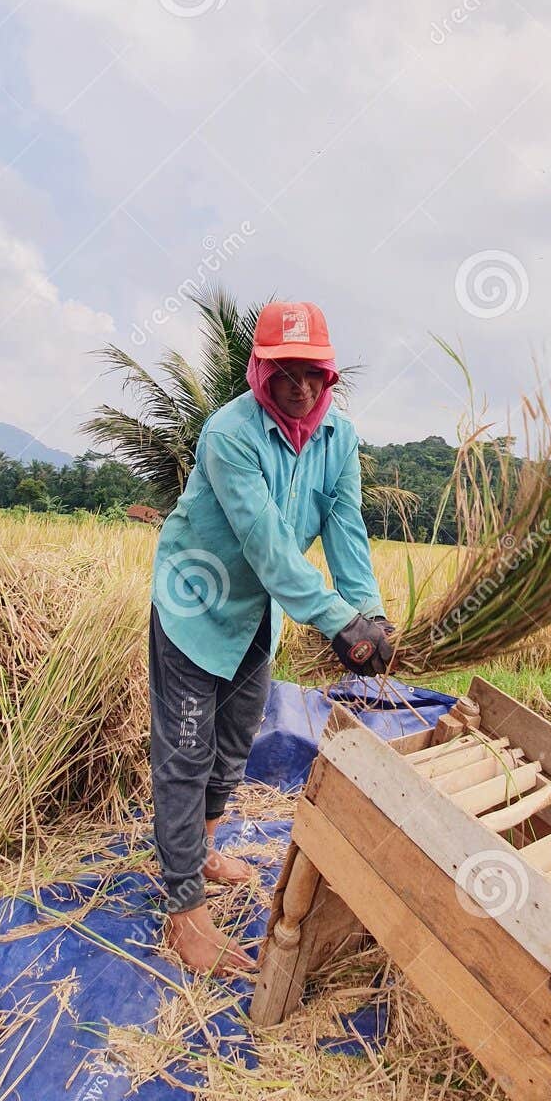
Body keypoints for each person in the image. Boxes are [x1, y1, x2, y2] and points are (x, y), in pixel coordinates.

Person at [147, 299, 395, 974]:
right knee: (187, 752)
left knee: (231, 747)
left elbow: (347, 531)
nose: (302, 388)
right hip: (195, 604)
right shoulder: (230, 434)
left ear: (330, 376)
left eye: (314, 373)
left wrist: (369, 615)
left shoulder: (339, 439)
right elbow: (270, 548)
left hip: (258, 614)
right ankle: (183, 911)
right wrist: (337, 622)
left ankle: (199, 846)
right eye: (286, 372)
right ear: (260, 370)